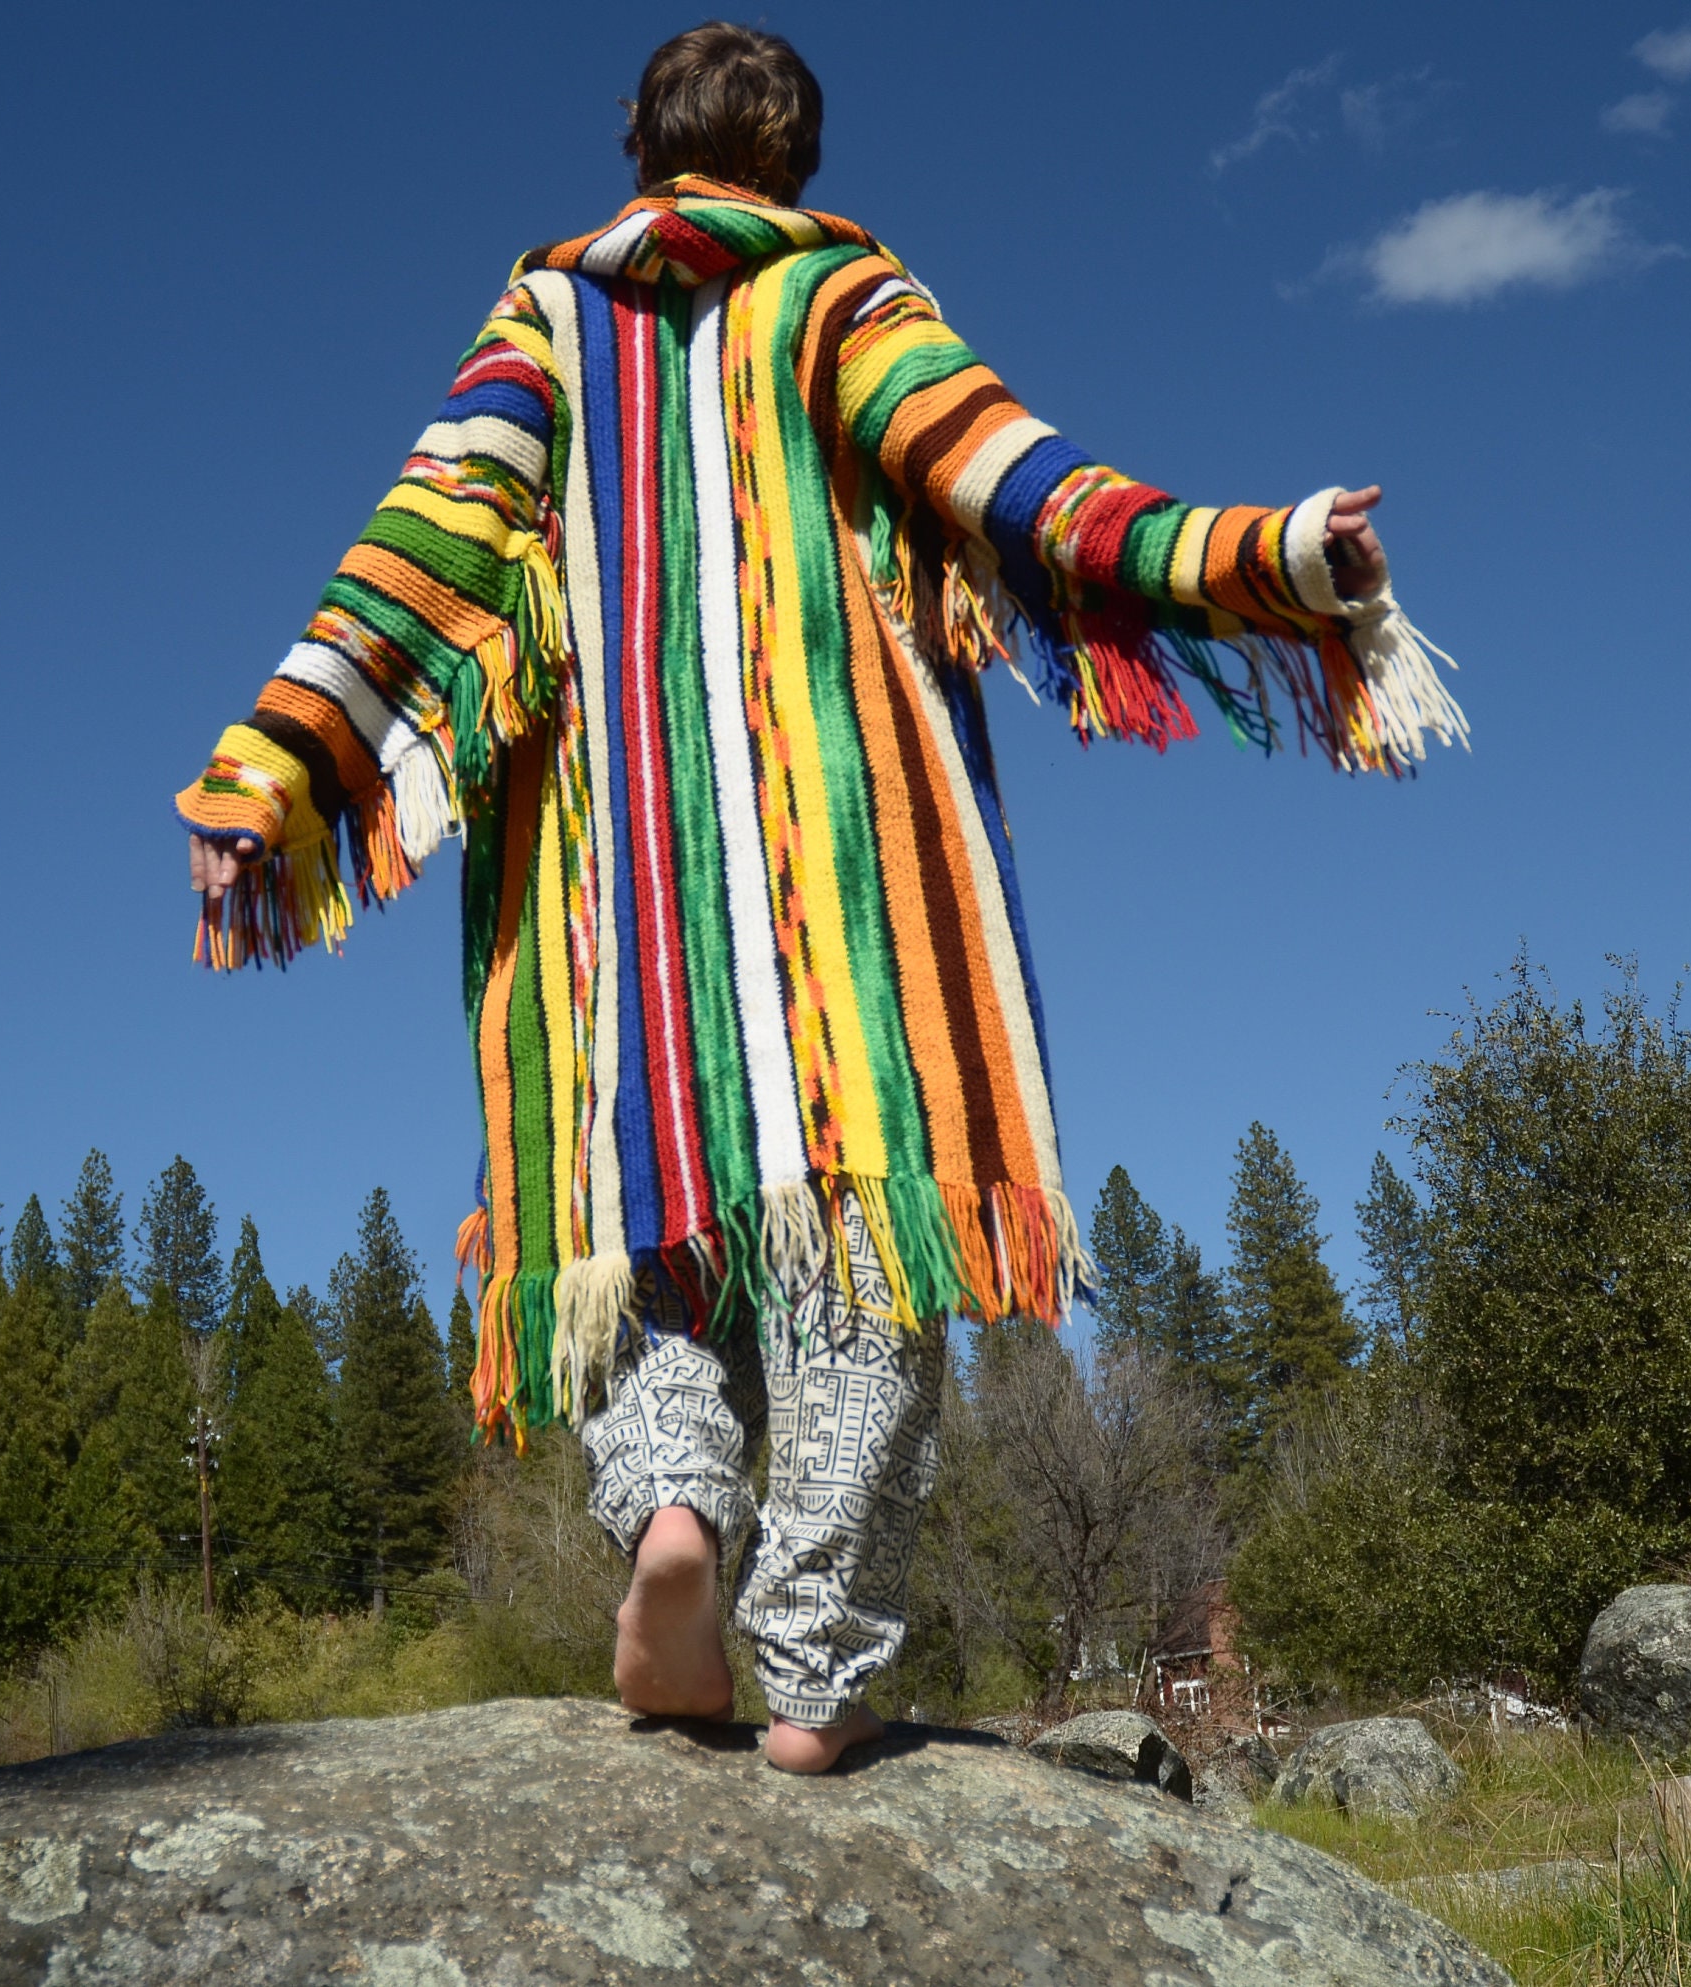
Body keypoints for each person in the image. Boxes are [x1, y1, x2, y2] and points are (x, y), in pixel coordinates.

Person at [173, 23, 1461, 1774]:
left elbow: (419, 551)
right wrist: (1276, 556)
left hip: (603, 906)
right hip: (846, 895)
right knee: (854, 1260)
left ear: (640, 147)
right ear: (798, 156)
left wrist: (269, 766)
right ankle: (815, 1667)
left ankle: (675, 1516)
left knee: (636, 1251)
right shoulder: (843, 296)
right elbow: (1030, 491)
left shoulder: (546, 323)